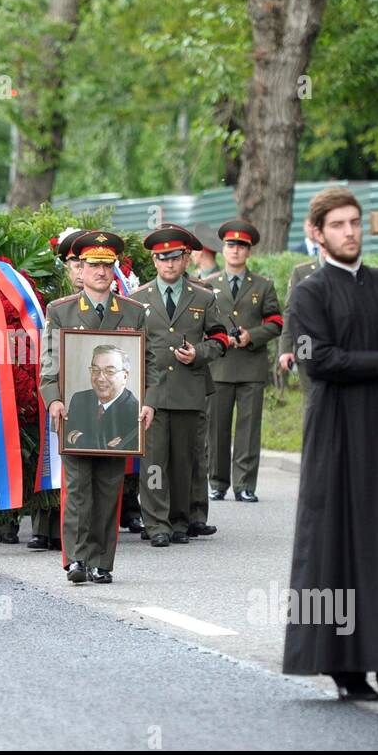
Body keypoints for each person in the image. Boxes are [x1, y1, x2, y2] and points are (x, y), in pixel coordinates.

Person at [281, 187, 378, 702]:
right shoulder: (309, 291)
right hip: (335, 429)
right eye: (338, 225)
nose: (350, 232)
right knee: (336, 541)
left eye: (354, 223)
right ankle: (343, 665)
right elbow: (321, 361)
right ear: (317, 233)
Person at [41, 231, 156, 584]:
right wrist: (54, 399)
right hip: (77, 412)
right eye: (93, 264)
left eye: (107, 265)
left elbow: (147, 363)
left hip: (121, 416)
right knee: (76, 489)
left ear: (115, 268)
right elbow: (49, 363)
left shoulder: (134, 312)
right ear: (81, 267)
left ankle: (101, 562)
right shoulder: (60, 311)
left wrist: (149, 402)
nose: (101, 271)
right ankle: (76, 559)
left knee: (109, 489)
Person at [129, 223, 230, 546]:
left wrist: (198, 353)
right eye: (162, 259)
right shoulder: (137, 299)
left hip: (190, 389)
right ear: (154, 262)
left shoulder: (202, 296)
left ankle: (180, 520)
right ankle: (156, 522)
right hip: (153, 393)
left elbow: (220, 338)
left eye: (174, 258)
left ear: (186, 259)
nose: (168, 265)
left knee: (185, 459)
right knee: (154, 460)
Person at [204, 220, 283, 503]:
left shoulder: (263, 285)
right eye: (230, 245)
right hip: (219, 367)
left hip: (251, 366)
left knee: (249, 430)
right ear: (223, 249)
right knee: (217, 428)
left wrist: (252, 336)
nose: (235, 250)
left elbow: (276, 322)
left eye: (241, 246)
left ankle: (245, 485)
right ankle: (217, 482)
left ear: (248, 251)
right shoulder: (208, 285)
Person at [28, 228, 85, 552]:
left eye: (83, 264)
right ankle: (42, 525)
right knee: (49, 454)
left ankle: (70, 531)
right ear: (64, 264)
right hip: (55, 380)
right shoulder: (52, 296)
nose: (79, 271)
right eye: (74, 264)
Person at [63, 343, 143, 450]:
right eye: (95, 370)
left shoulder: (135, 412)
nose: (100, 378)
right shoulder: (79, 399)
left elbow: (118, 453)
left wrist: (76, 437)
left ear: (125, 376)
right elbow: (65, 436)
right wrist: (102, 445)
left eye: (109, 371)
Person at [278, 216, 323, 373]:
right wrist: (285, 348)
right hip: (307, 346)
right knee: (311, 396)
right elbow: (291, 310)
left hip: (341, 349)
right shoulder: (301, 271)